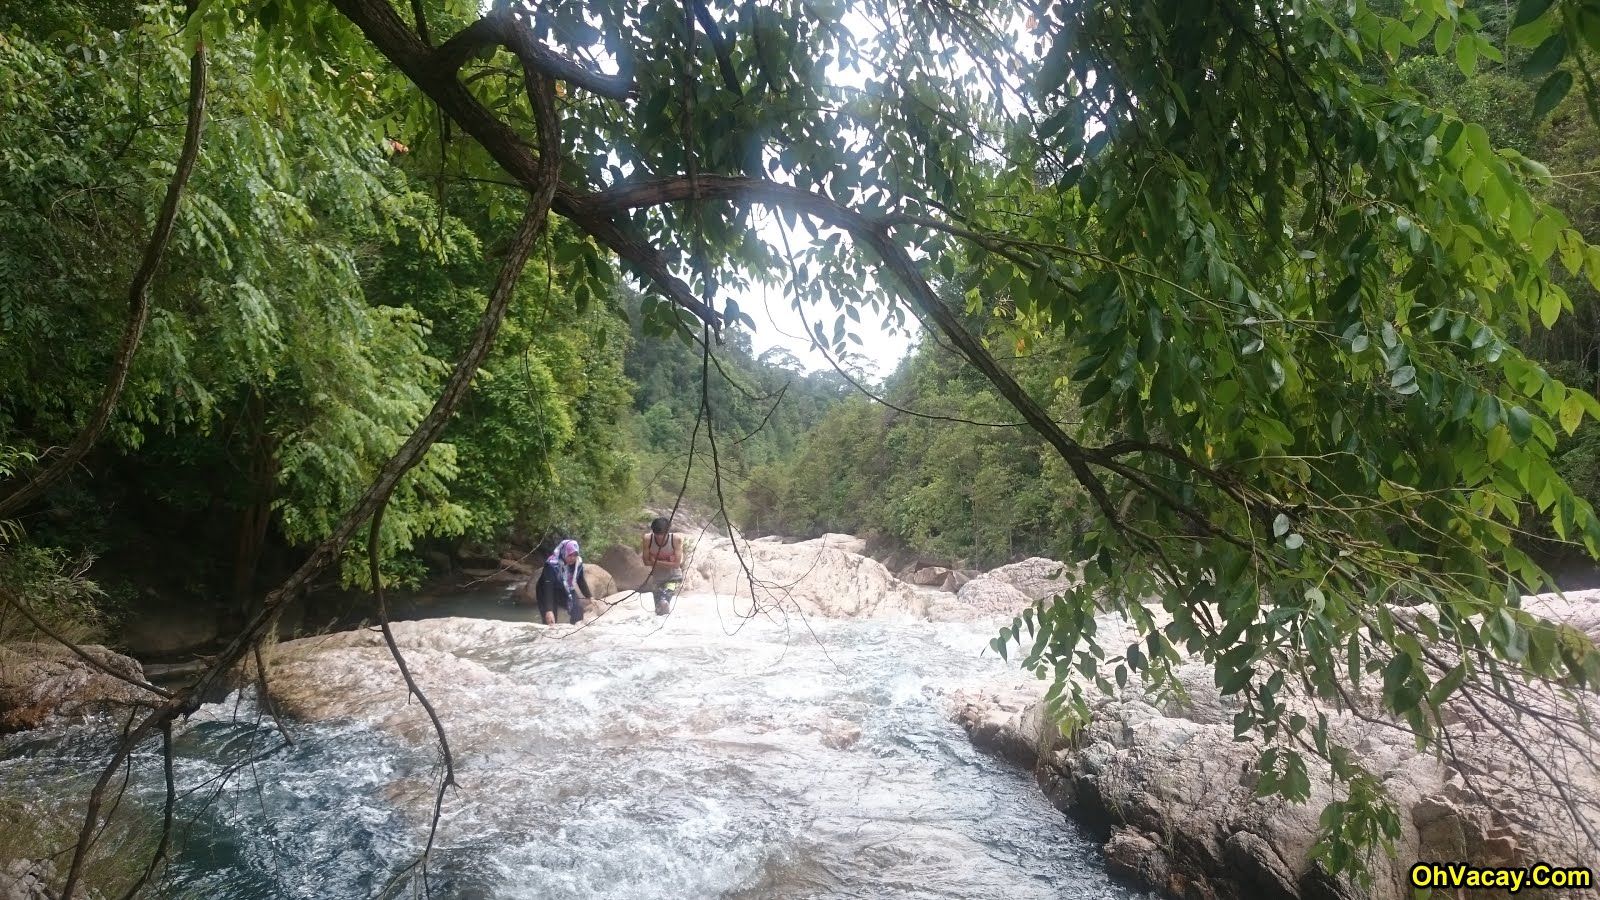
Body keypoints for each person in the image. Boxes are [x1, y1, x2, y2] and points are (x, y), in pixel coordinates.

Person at [536, 538, 593, 625]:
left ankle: (573, 631)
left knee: (577, 611)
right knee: (550, 620)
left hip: (564, 588)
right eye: (570, 555)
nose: (572, 558)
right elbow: (548, 587)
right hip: (545, 591)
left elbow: (580, 579)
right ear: (564, 552)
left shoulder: (577, 563)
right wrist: (549, 610)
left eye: (575, 555)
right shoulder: (551, 565)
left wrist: (590, 597)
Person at [640, 517, 683, 616]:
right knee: (659, 610)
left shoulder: (675, 539)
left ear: (667, 532)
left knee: (664, 602)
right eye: (657, 534)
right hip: (658, 579)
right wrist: (666, 563)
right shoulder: (648, 539)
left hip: (673, 578)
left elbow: (676, 564)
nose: (659, 537)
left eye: (662, 534)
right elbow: (646, 562)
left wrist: (655, 561)